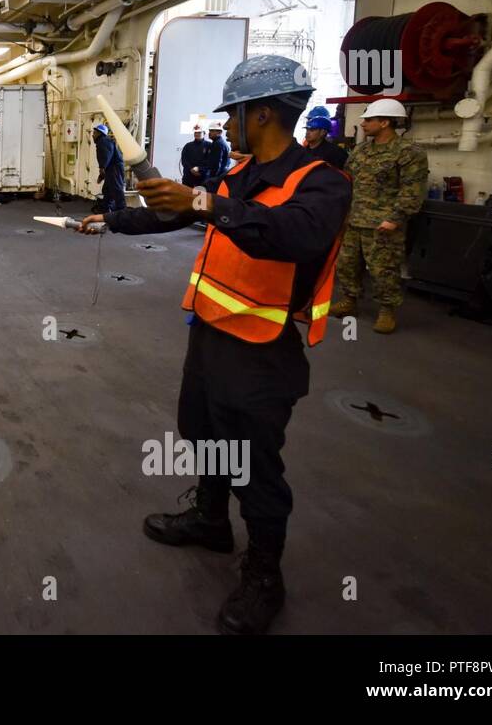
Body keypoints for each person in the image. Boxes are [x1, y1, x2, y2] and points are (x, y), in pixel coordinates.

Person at [76, 55, 351, 635]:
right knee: (202, 433)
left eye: (235, 114)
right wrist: (114, 218)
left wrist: (204, 203)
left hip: (262, 347)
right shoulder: (241, 174)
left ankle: (265, 575)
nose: (226, 125)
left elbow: (290, 235)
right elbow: (178, 216)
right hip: (210, 335)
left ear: (265, 114)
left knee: (255, 466)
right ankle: (209, 519)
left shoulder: (320, 182)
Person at [330, 98, 428, 334]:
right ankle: (349, 300)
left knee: (383, 269)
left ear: (385, 122)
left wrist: (395, 218)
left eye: (369, 119)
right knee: (346, 264)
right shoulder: (361, 150)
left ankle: (386, 310)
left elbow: (412, 189)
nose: (363, 123)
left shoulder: (408, 152)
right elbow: (347, 181)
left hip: (384, 222)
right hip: (355, 219)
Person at [302, 106, 348, 170]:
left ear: (323, 132)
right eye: (307, 129)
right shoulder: (303, 151)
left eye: (312, 130)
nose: (307, 132)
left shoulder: (335, 153)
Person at [93, 122, 125, 213]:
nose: (93, 135)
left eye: (95, 133)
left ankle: (122, 211)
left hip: (114, 169)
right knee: (107, 189)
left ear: (100, 133)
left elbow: (106, 155)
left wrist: (102, 168)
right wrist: (102, 173)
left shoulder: (104, 141)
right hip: (111, 168)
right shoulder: (103, 141)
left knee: (116, 189)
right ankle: (106, 208)